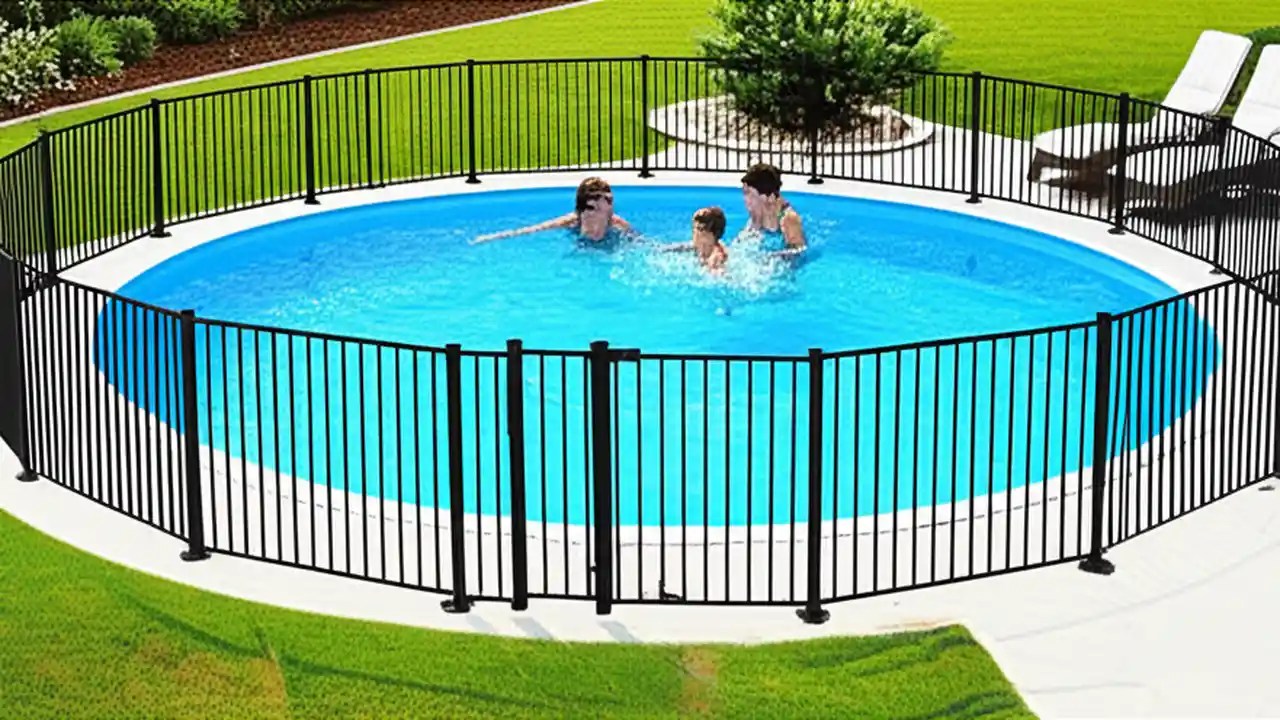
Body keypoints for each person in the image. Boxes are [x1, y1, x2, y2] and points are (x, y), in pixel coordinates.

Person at [471, 176, 634, 245]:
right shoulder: (573, 220)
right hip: (584, 248)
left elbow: (637, 240)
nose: (593, 214)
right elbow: (534, 229)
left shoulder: (617, 224)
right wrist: (495, 236)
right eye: (590, 209)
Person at [739, 162, 806, 256]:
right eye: (744, 193)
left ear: (769, 198)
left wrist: (770, 257)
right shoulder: (756, 215)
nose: (745, 199)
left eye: (749, 194)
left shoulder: (787, 219)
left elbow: (798, 252)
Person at [656, 206, 729, 275]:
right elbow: (674, 248)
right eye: (693, 228)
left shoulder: (716, 257)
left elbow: (720, 276)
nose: (694, 233)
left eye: (698, 229)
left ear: (710, 234)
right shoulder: (697, 246)